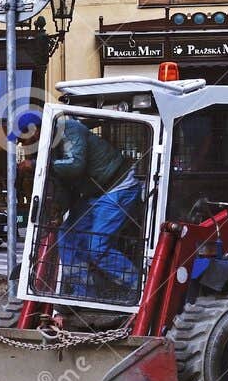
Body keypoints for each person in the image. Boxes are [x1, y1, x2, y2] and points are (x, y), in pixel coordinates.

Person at [20, 117, 141, 300]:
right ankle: (83, 292)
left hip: (118, 186)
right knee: (66, 235)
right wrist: (59, 208)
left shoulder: (68, 129)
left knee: (97, 247)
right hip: (95, 193)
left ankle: (137, 286)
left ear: (33, 130)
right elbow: (65, 184)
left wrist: (37, 165)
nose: (23, 144)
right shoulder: (50, 148)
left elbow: (75, 166)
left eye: (23, 139)